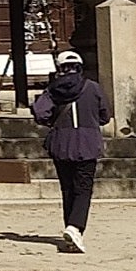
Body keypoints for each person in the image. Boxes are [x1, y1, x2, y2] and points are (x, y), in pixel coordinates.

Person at [30, 44, 110, 251]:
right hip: (87, 142)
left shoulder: (52, 90)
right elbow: (105, 116)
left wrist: (52, 121)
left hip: (61, 143)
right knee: (83, 188)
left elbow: (40, 113)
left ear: (60, 68)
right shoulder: (92, 87)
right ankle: (75, 228)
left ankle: (71, 230)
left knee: (67, 188)